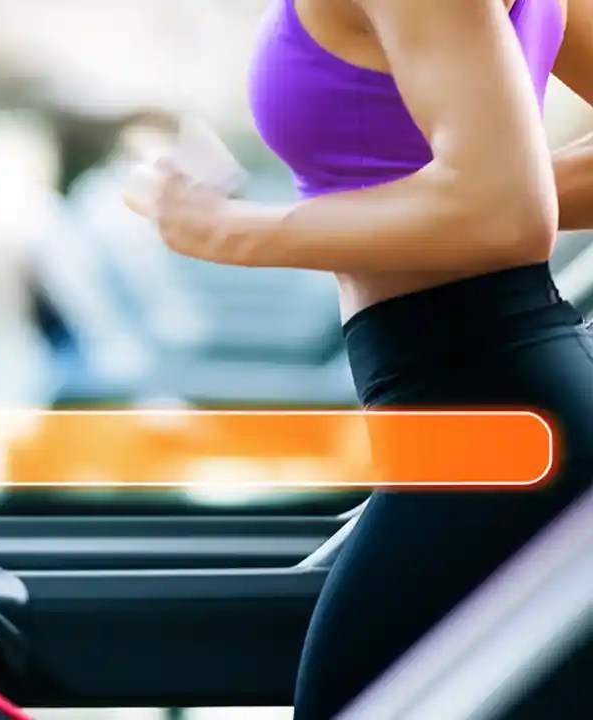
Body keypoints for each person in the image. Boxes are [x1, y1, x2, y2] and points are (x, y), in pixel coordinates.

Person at [124, 0, 593, 717]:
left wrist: (231, 232)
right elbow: (503, 199)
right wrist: (497, 178)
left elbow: (503, 214)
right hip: (498, 404)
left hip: (487, 425)